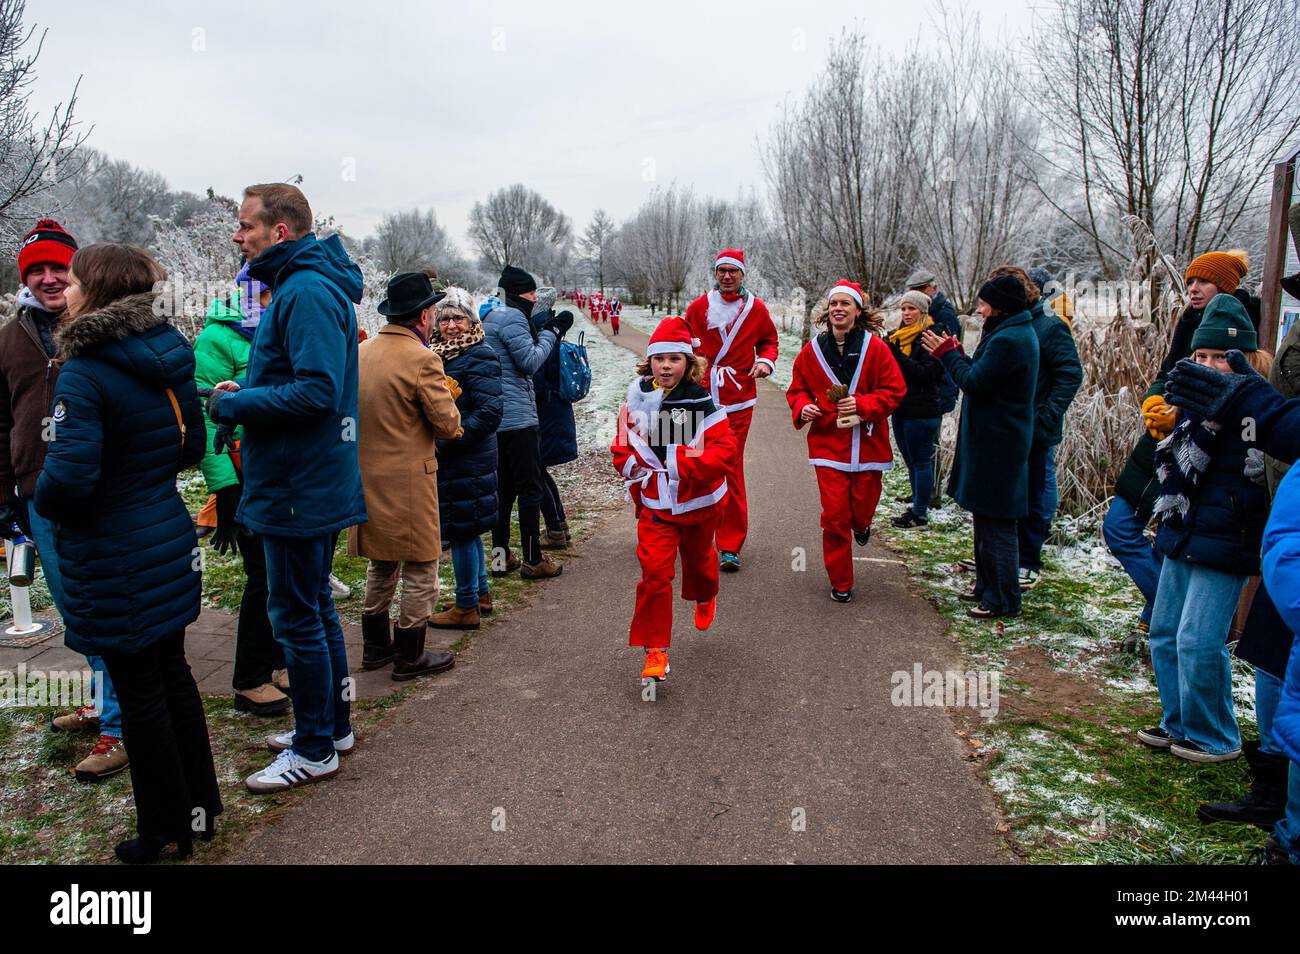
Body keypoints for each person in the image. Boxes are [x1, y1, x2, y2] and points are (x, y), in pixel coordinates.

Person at [34, 243, 219, 864]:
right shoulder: (168, 352)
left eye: (76, 280)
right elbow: (191, 446)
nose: (68, 288)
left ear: (97, 290)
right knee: (174, 676)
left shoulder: (84, 369)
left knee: (140, 692)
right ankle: (199, 809)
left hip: (112, 549)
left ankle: (165, 830)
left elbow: (68, 480)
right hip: (162, 531)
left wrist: (43, 501)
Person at [209, 183, 366, 793]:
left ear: (280, 231)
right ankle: (332, 726)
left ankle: (315, 746)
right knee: (314, 609)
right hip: (306, 478)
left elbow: (317, 392)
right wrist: (243, 394)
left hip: (299, 484)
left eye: (245, 224)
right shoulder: (302, 286)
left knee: (296, 617)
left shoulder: (302, 291)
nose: (236, 234)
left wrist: (237, 403)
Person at [0, 218, 128, 783]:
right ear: (25, 278)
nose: (50, 280)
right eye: (38, 271)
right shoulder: (8, 339)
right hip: (38, 494)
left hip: (100, 494)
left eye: (60, 269)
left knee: (106, 608)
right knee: (76, 610)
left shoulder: (104, 329)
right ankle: (104, 700)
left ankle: (121, 727)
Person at [1136, 293, 1271, 763]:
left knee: (1199, 639)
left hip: (1227, 536)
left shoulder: (1254, 409)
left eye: (1221, 357)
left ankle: (1215, 735)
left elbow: (1260, 467)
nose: (1210, 365)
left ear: (1244, 359)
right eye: (1202, 355)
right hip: (1183, 526)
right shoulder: (1189, 403)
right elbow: (1173, 466)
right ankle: (1179, 722)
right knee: (1165, 630)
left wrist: (1236, 421)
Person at [1104, 249, 1253, 643]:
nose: (1193, 288)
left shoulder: (1243, 325)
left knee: (1124, 528)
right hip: (1161, 442)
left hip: (1196, 450)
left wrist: (1182, 411)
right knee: (1122, 525)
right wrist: (1155, 401)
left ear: (1226, 285)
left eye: (1203, 280)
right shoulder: (1189, 320)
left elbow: (1241, 391)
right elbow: (1168, 370)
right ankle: (1162, 614)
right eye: (1189, 281)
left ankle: (1168, 615)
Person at [348, 272, 462, 679]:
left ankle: (376, 647)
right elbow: (448, 426)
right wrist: (449, 395)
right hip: (410, 482)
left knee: (381, 565)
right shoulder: (423, 360)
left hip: (366, 479)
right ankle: (410, 654)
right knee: (421, 567)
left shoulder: (361, 353)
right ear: (424, 316)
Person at [611, 317, 736, 682]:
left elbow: (722, 454)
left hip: (699, 505)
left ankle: (706, 592)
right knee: (654, 575)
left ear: (689, 364)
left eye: (674, 359)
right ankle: (655, 650)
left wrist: (677, 461)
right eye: (659, 359)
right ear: (649, 362)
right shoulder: (636, 399)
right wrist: (633, 465)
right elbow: (622, 445)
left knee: (699, 565)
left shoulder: (701, 403)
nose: (665, 366)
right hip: (657, 507)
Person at [192, 265, 289, 715]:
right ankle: (249, 679)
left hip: (277, 468)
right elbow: (204, 412)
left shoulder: (280, 328)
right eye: (270, 292)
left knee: (283, 572)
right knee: (262, 576)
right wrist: (225, 488)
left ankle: (279, 660)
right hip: (242, 472)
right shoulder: (217, 338)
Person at [922, 274, 1039, 619]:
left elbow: (974, 382)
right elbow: (982, 374)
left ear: (1000, 305)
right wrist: (958, 353)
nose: (979, 309)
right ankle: (986, 589)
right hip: (996, 441)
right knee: (986, 519)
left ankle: (1003, 599)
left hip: (998, 445)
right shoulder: (1010, 332)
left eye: (984, 303)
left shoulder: (1010, 339)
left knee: (997, 523)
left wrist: (948, 355)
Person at [787, 281, 905, 602]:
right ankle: (841, 581)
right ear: (828, 311)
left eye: (845, 304)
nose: (838, 308)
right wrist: (802, 407)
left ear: (857, 311)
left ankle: (863, 524)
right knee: (836, 516)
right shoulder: (812, 351)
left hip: (868, 446)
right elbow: (796, 389)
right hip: (828, 446)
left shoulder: (877, 349)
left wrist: (863, 405)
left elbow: (895, 391)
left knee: (860, 511)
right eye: (834, 304)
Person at [683, 249, 779, 572]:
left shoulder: (757, 310)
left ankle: (729, 544)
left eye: (732, 271)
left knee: (730, 467)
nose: (726, 276)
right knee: (693, 461)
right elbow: (682, 340)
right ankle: (688, 529)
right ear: (716, 273)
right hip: (702, 398)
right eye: (721, 271)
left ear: (742, 274)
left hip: (739, 400)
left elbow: (769, 341)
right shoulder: (698, 308)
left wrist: (765, 361)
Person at [482, 265, 570, 579]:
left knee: (503, 491)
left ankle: (499, 558)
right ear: (521, 293)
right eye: (532, 292)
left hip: (497, 418)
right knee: (530, 489)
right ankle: (534, 559)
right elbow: (530, 362)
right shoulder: (513, 317)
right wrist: (552, 333)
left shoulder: (491, 316)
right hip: (518, 419)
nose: (536, 298)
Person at [998, 266, 1083, 590]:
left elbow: (1070, 374)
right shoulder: (1017, 321)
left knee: (1034, 495)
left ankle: (1029, 562)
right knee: (1010, 493)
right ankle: (1006, 555)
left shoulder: (1049, 324)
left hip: (1036, 430)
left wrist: (1045, 416)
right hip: (1011, 428)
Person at [428, 288, 503, 630]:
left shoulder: (480, 355)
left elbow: (490, 412)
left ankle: (466, 605)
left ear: (471, 321)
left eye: (458, 318)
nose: (451, 326)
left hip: (467, 455)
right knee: (467, 528)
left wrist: (451, 437)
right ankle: (480, 594)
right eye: (444, 319)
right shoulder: (439, 355)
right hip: (458, 457)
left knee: (460, 530)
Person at [886, 289, 945, 529]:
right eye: (903, 308)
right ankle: (916, 507)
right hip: (901, 408)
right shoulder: (898, 336)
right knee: (911, 462)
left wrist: (896, 355)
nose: (907, 313)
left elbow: (927, 374)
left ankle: (920, 513)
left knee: (921, 462)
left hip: (922, 410)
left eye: (912, 309)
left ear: (923, 312)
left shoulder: (932, 337)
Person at [904, 268, 961, 509]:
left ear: (931, 289)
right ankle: (920, 492)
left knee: (930, 446)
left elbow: (948, 352)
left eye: (919, 291)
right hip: (921, 392)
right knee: (919, 449)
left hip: (938, 388)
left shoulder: (943, 315)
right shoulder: (924, 314)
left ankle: (931, 495)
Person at [528, 287, 578, 549]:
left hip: (544, 412)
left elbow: (535, 378)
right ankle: (559, 525)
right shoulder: (550, 328)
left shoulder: (538, 334)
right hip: (554, 411)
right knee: (539, 469)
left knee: (535, 469)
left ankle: (556, 528)